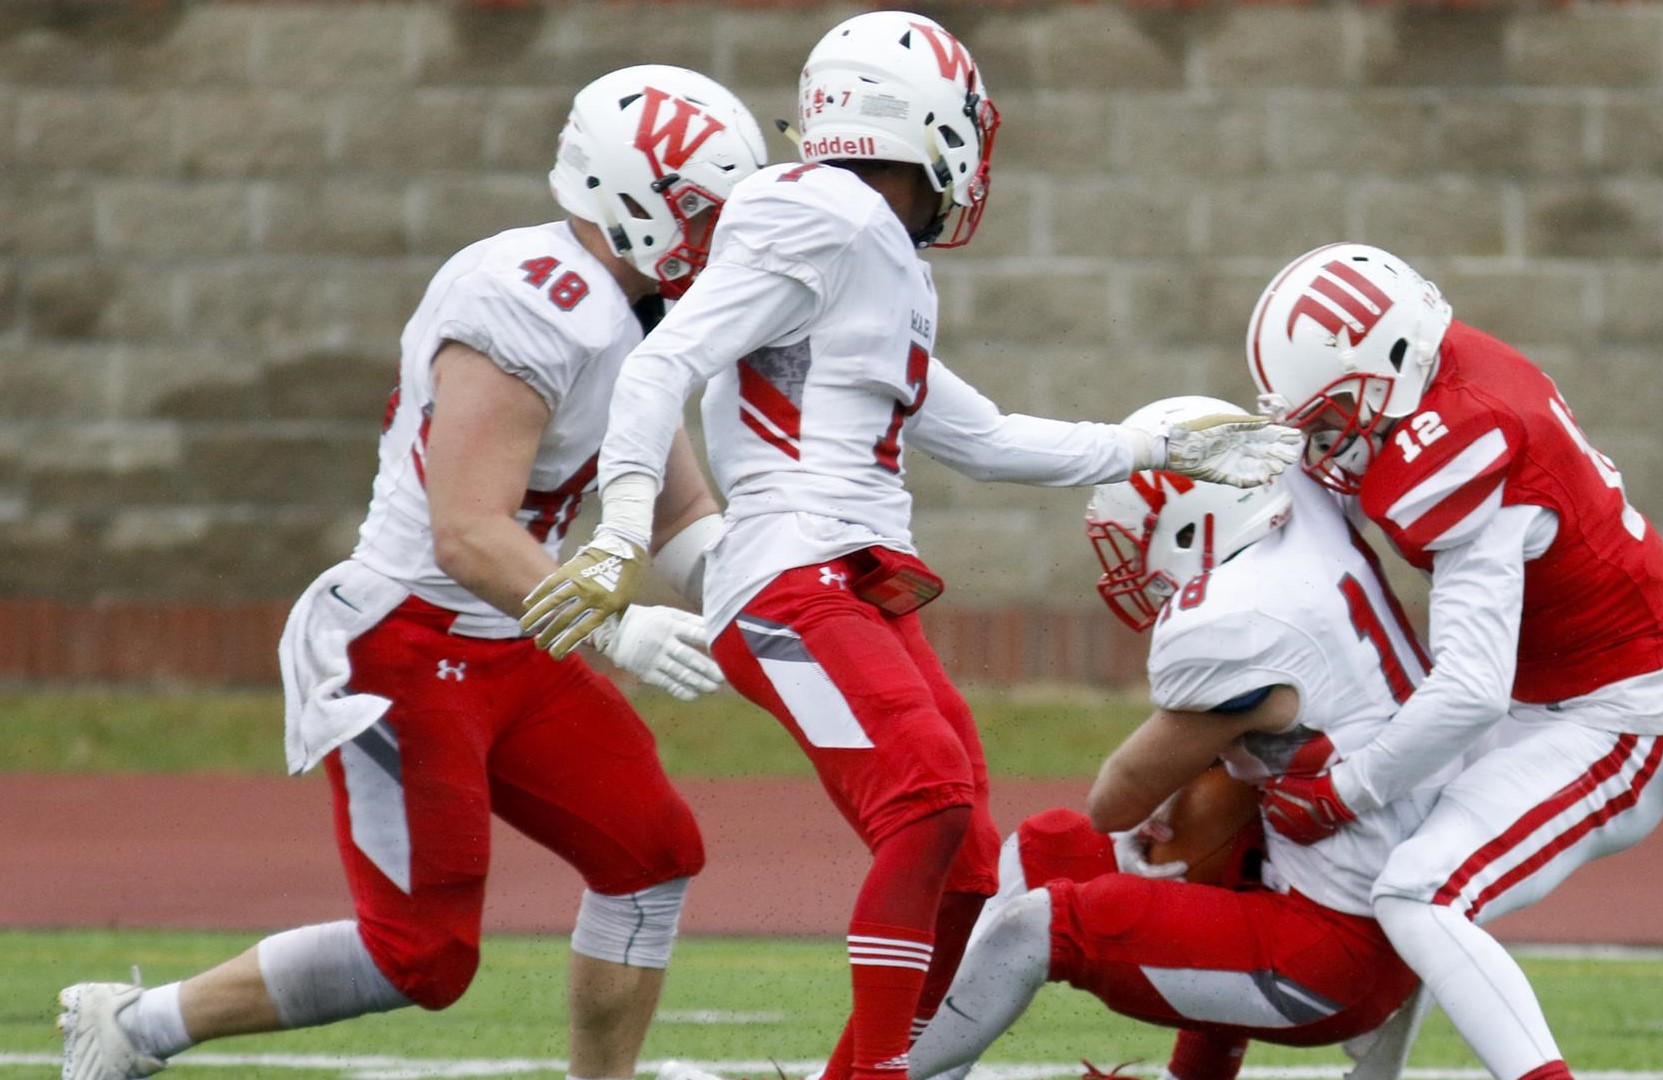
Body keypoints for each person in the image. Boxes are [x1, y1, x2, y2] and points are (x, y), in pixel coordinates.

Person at [519, 15, 1300, 1080]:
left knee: (972, 860)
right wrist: (618, 535)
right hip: (792, 584)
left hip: (854, 585)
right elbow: (662, 367)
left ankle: (866, 1070)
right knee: (928, 802)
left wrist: (1150, 443)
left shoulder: (869, 257)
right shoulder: (826, 217)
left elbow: (981, 438)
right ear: (924, 124)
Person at [57, 66, 767, 1080]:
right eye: (702, 209)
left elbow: (680, 509)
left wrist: (774, 604)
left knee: (650, 856)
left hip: (512, 640)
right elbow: (468, 533)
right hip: (406, 642)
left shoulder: (639, 312)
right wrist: (619, 630)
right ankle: (137, 1025)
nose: (720, 235)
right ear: (629, 196)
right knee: (424, 957)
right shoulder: (538, 299)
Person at [1246, 243, 1663, 1080]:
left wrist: (1345, 792)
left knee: (1418, 888)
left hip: (1613, 722)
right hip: (1543, 699)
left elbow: (1467, 691)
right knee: (1389, 862)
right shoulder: (1439, 366)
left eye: (1327, 418)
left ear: (1390, 365)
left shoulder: (1465, 446)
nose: (1324, 444)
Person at [908, 397, 1446, 1080]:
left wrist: (1182, 788)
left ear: (1196, 525)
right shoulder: (1304, 525)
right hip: (1379, 901)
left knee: (1038, 926)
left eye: (1140, 541)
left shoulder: (1240, 619)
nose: (1133, 565)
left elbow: (1116, 801)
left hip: (1333, 954)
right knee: (1052, 844)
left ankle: (877, 1074)